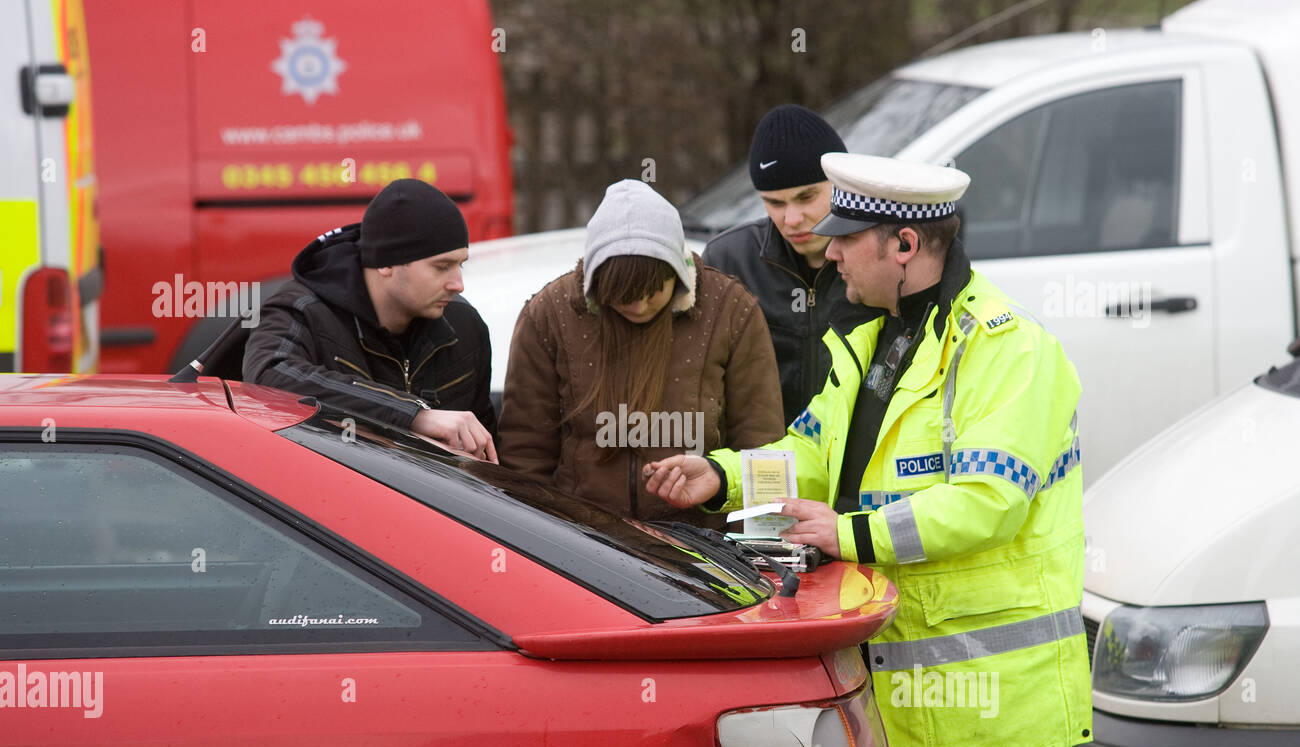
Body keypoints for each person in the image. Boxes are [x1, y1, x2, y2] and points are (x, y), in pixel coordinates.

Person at [644, 153, 1092, 747]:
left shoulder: (1007, 350)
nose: (831, 249)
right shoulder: (873, 340)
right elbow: (811, 454)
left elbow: (987, 504)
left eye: (848, 237)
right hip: (906, 674)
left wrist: (850, 533)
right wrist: (720, 477)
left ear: (905, 247)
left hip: (983, 689)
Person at [498, 179, 784, 522]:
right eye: (623, 294)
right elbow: (527, 452)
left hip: (703, 548)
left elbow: (761, 447)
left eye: (653, 291)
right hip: (580, 542)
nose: (639, 305)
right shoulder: (551, 315)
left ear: (677, 275)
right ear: (598, 282)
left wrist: (760, 548)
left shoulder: (729, 311)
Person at [244, 178, 498, 461]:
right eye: (441, 267)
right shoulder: (304, 310)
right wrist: (414, 415)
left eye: (460, 264)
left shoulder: (464, 326)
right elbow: (268, 375)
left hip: (432, 500)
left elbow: (487, 448)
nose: (458, 284)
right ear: (386, 263)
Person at [704, 105, 884, 427]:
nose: (791, 220)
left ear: (840, 183)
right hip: (760, 464)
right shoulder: (727, 261)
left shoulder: (881, 256)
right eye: (774, 203)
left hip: (860, 466)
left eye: (806, 197)